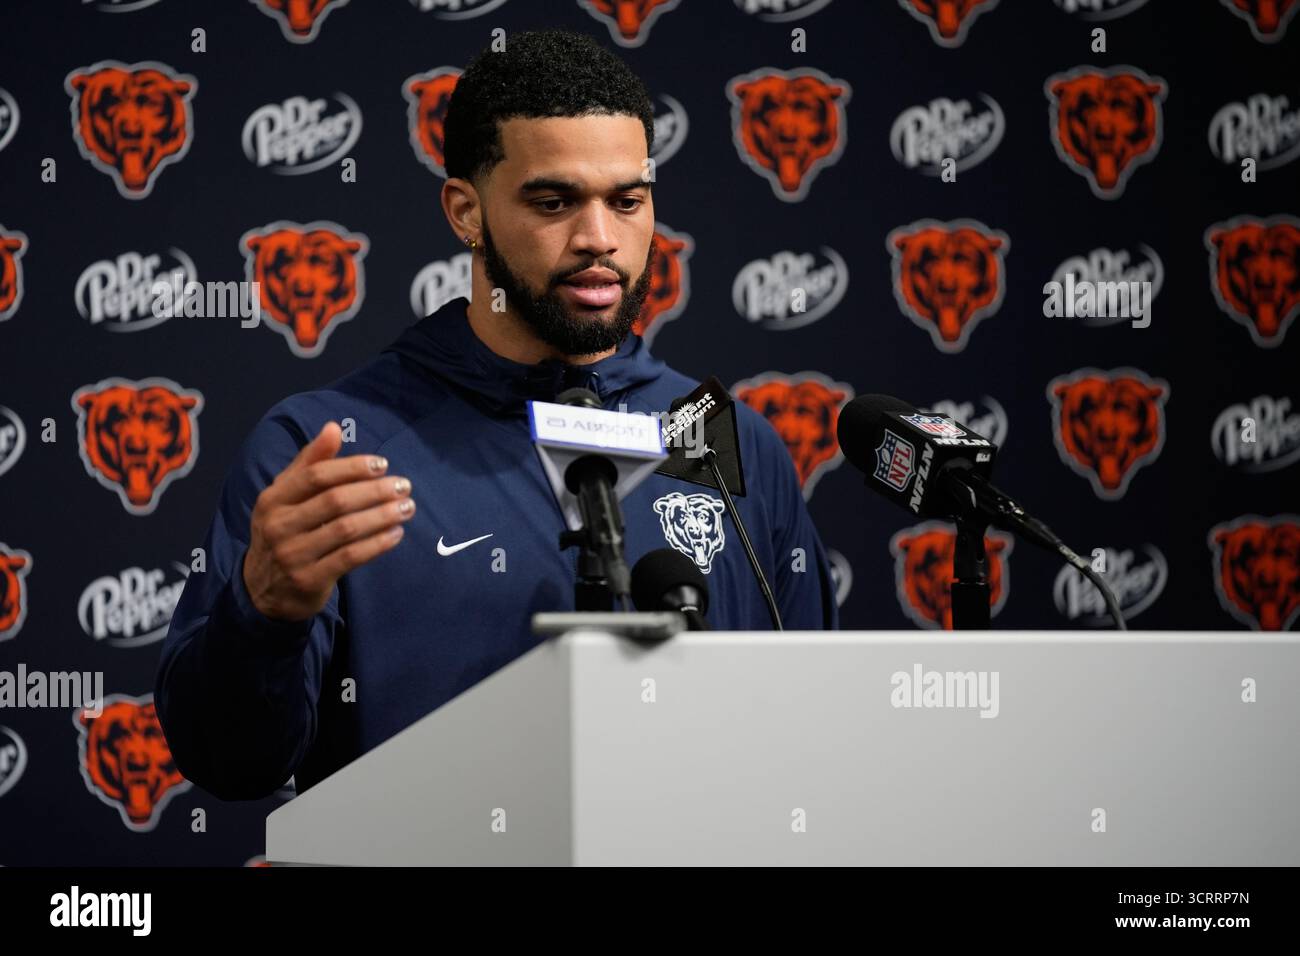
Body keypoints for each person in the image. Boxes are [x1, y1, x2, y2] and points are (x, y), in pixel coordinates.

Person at [155, 30, 838, 801]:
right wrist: (263, 616)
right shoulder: (330, 448)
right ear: (465, 212)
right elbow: (233, 765)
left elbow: (807, 746)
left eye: (628, 200)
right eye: (553, 202)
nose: (599, 239)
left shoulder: (729, 440)